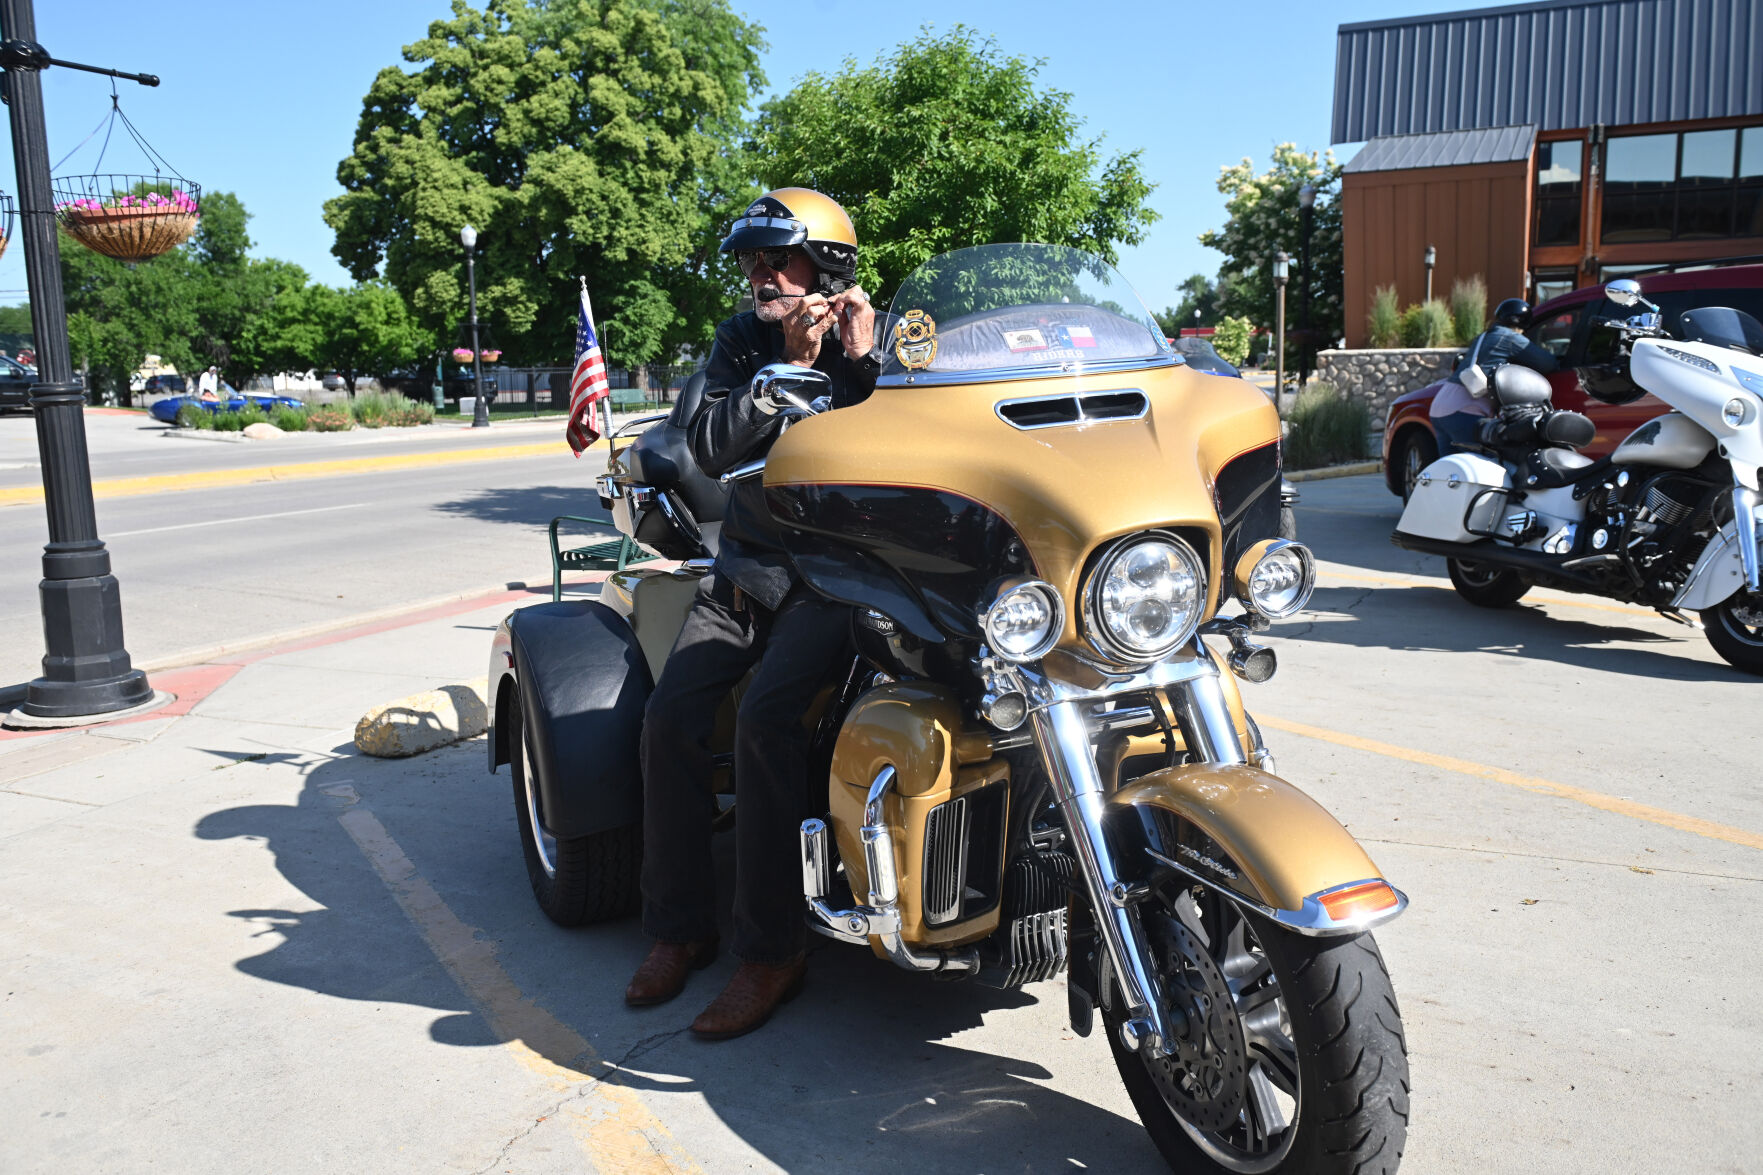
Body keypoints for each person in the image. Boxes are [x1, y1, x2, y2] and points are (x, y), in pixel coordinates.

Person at [626, 188, 886, 1040]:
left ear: (829, 265)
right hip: (746, 567)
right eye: (752, 263)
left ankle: (771, 951)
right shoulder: (741, 342)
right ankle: (679, 928)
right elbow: (704, 444)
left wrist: (869, 363)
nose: (762, 276)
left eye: (778, 260)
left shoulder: (872, 339)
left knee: (767, 723)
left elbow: (914, 436)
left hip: (835, 576)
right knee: (668, 718)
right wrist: (780, 374)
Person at [1429, 298, 1559, 455]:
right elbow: (1548, 363)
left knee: (1448, 470)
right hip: (1464, 410)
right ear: (1524, 323)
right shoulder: (1510, 337)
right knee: (1484, 467)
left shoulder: (1484, 336)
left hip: (1440, 406)